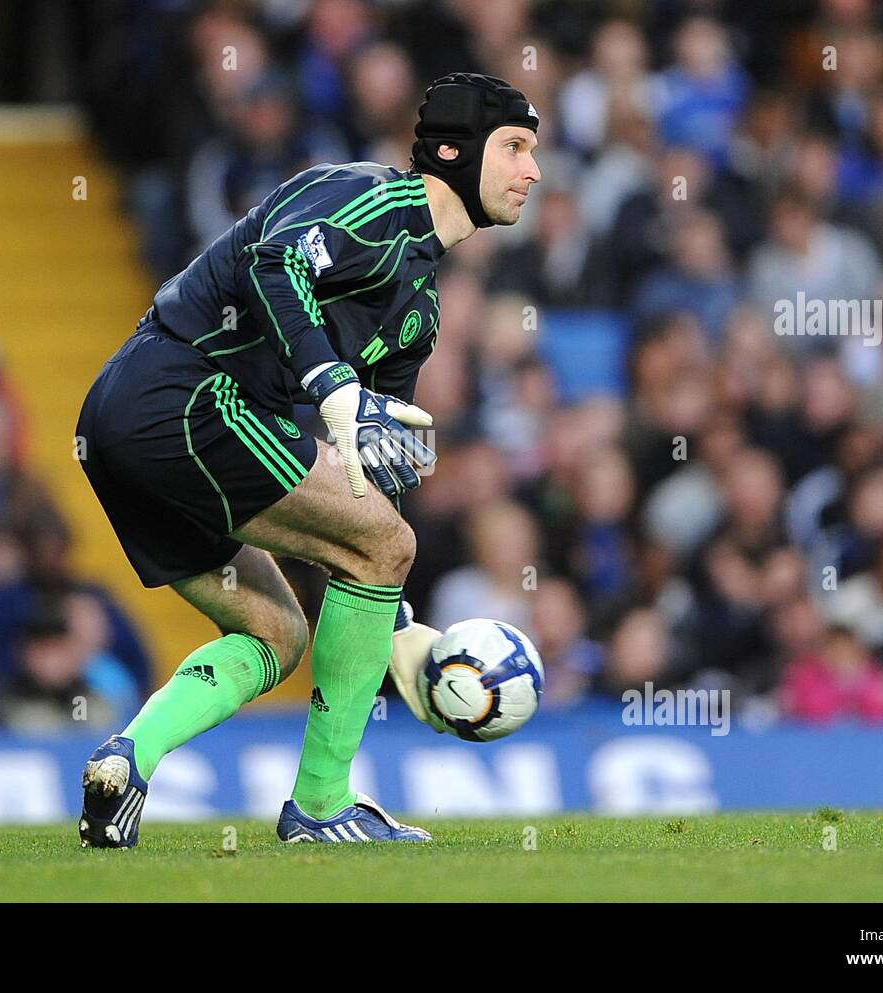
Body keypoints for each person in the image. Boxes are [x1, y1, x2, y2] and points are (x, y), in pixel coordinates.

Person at [74, 73, 541, 847]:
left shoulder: (419, 314)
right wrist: (331, 386)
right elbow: (271, 262)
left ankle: (126, 760)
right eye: (516, 148)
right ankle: (322, 803)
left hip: (135, 429)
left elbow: (368, 490)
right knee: (388, 547)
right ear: (455, 152)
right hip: (184, 390)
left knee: (275, 632)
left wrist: (403, 637)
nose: (532, 171)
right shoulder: (367, 196)